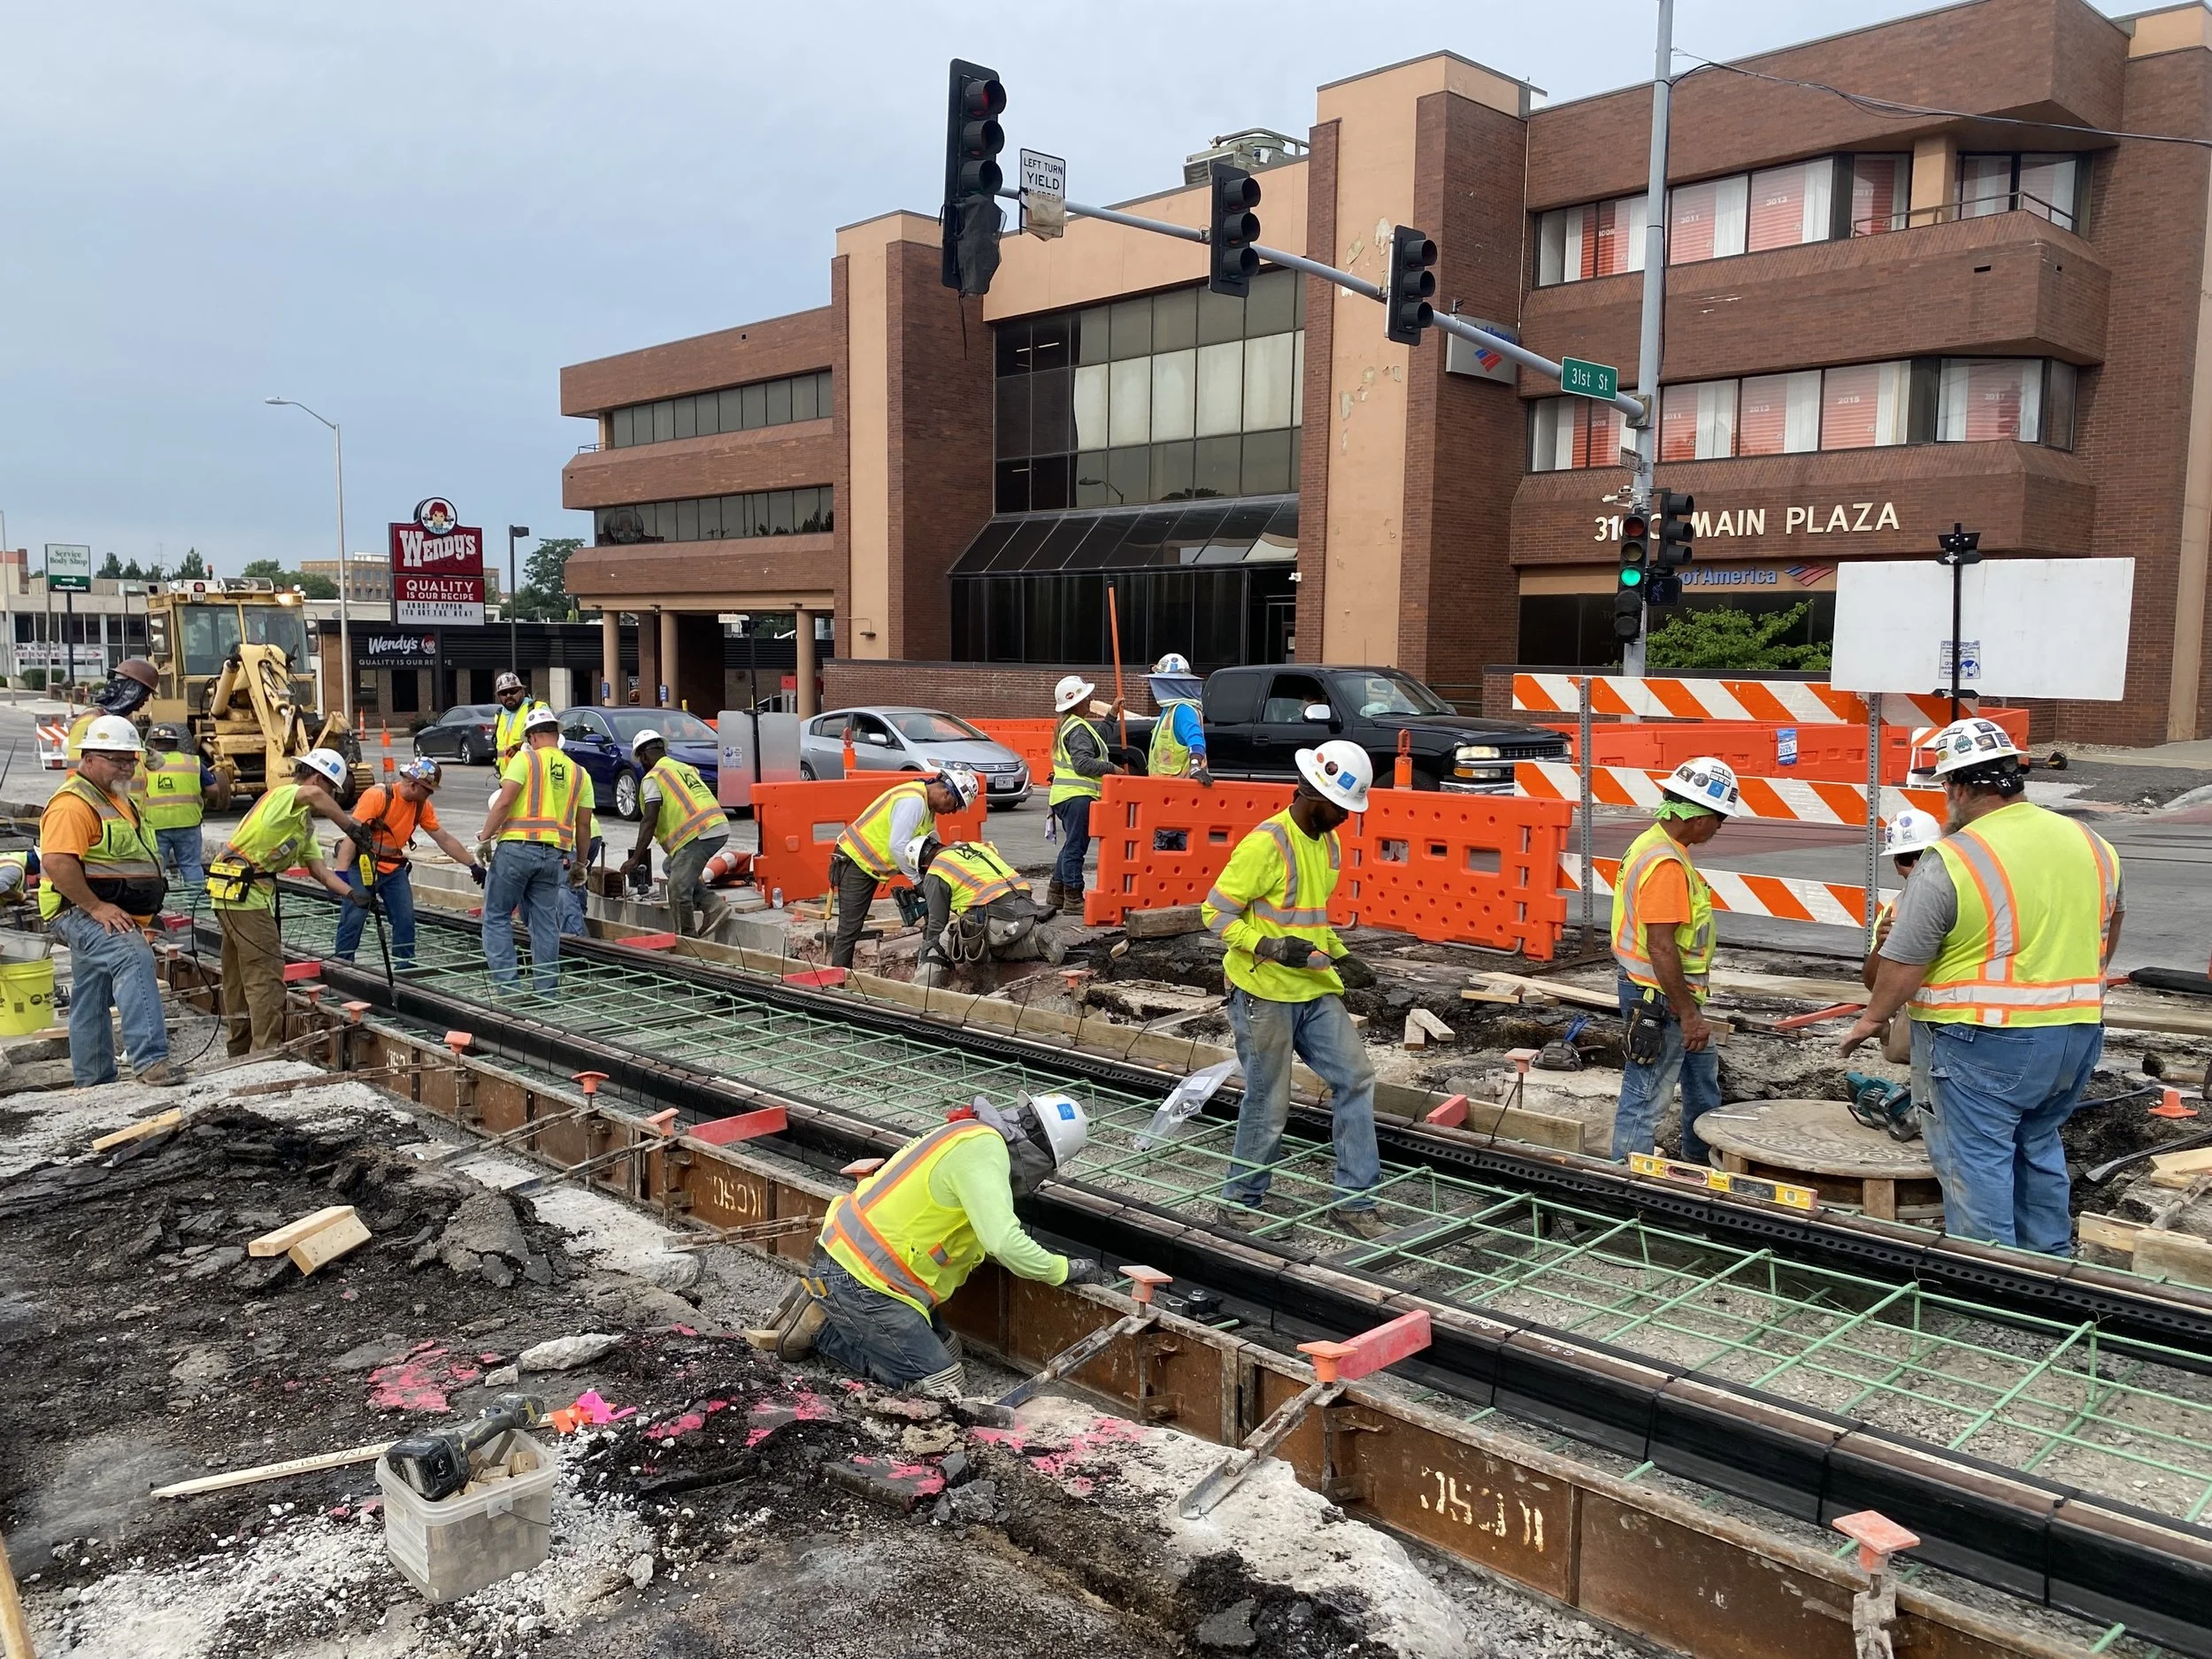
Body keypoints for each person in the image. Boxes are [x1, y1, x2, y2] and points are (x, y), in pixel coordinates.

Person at [1841, 718, 2123, 1255]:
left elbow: (1906, 957)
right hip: (2076, 1034)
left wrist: (1873, 1018)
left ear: (1961, 786)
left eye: (1946, 786)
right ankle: (2050, 1266)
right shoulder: (2091, 843)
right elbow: (2109, 929)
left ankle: (1992, 1286)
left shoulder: (1954, 855)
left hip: (1982, 1041)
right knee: (2037, 1145)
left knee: (1977, 1158)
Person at [747, 1093, 1104, 1396]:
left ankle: (828, 1305)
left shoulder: (971, 1135)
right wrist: (1064, 1270)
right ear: (1043, 1157)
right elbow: (1004, 1242)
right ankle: (823, 1331)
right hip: (863, 1276)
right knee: (941, 1384)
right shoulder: (984, 1155)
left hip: (872, 1267)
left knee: (950, 1350)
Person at [1202, 739, 1385, 1240]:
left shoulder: (1328, 843)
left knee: (1357, 1078)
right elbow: (1215, 914)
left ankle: (1354, 1201)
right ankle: (1240, 1204)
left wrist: (1343, 956)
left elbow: (1312, 918)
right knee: (1268, 1100)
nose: (1346, 818)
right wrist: (1271, 947)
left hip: (1311, 989)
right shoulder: (1265, 844)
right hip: (1263, 994)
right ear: (1311, 793)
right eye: (1340, 807)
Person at [1610, 757, 1747, 1168]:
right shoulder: (1666, 865)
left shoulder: (1655, 843)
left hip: (1669, 993)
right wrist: (1687, 1015)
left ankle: (1699, 1155)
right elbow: (1662, 947)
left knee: (1701, 1078)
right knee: (1647, 1090)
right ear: (1699, 816)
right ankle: (1625, 1174)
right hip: (1660, 996)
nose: (1720, 827)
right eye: (1719, 818)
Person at [39, 715, 180, 1087]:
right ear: (88, 758)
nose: (126, 766)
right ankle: (151, 1061)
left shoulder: (116, 797)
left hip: (99, 907)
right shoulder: (74, 804)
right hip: (78, 908)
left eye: (130, 759)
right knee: (131, 955)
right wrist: (97, 908)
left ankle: (94, 1079)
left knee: (91, 989)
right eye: (116, 759)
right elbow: (56, 862)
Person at [206, 749, 373, 1056]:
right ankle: (265, 1052)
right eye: (331, 790)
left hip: (233, 893)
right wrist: (350, 827)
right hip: (244, 896)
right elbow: (312, 794)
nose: (329, 798)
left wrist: (352, 894)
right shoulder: (284, 796)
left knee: (238, 976)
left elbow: (319, 872)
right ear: (319, 778)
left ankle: (241, 1049)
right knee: (265, 975)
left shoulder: (301, 823)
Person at [477, 704, 588, 995]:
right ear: (555, 734)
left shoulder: (526, 761)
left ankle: (510, 990)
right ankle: (546, 993)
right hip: (554, 856)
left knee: (497, 916)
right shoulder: (579, 773)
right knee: (544, 924)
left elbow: (503, 802)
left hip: (516, 849)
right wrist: (581, 864)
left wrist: (485, 838)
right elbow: (584, 826)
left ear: (534, 737)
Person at [333, 757, 484, 970]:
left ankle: (405, 969)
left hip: (394, 869)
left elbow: (443, 838)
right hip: (363, 865)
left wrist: (472, 864)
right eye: (428, 790)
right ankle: (342, 966)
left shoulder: (421, 806)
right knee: (354, 918)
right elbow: (351, 838)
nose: (429, 795)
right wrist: (340, 876)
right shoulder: (378, 796)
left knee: (405, 920)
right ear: (414, 785)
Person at [826, 767, 978, 970]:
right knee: (850, 927)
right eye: (955, 805)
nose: (953, 811)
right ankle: (838, 979)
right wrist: (917, 882)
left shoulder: (926, 806)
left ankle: (931, 954)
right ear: (946, 792)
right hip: (855, 861)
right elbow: (897, 846)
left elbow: (928, 843)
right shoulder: (913, 801)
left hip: (870, 864)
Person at [904, 833, 1064, 988]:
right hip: (1028, 913)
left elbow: (936, 924)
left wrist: (927, 949)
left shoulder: (936, 869)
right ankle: (1035, 941)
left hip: (999, 919)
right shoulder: (975, 847)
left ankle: (918, 992)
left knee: (942, 943)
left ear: (923, 866)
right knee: (987, 946)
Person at [622, 729, 730, 938]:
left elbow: (649, 820)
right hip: (715, 824)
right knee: (671, 866)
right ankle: (712, 904)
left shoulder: (654, 777)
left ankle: (686, 939)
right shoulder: (682, 768)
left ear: (643, 756)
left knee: (678, 887)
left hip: (698, 832)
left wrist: (636, 858)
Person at [1862, 807, 1945, 1067]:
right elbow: (1872, 982)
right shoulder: (1894, 911)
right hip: (1926, 1010)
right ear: (1897, 864)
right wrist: (1881, 946)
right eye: (1907, 858)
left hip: (1963, 1011)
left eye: (1921, 856)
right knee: (1895, 1047)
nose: (1916, 866)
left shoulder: (1961, 896)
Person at [1047, 674, 1120, 914]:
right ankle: (1074, 898)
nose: (1089, 700)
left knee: (1071, 846)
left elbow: (1098, 741)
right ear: (1076, 702)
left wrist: (1111, 716)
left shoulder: (1072, 725)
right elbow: (1083, 764)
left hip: (1066, 796)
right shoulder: (1077, 728)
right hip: (1077, 797)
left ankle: (1056, 893)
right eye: (1085, 697)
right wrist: (1112, 769)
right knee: (1076, 847)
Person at [131, 724, 211, 887]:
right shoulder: (193, 762)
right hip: (188, 823)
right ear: (176, 743)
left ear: (153, 744)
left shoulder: (142, 765)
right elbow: (214, 790)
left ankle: (156, 904)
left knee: (157, 869)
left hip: (155, 825)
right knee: (191, 866)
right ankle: (197, 905)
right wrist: (199, 801)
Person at [64, 657, 159, 768]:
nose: (146, 700)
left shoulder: (123, 722)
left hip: (125, 785)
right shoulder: (91, 720)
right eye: (144, 694)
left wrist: (147, 755)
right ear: (130, 691)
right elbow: (78, 767)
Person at [1145, 652, 1210, 785]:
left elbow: (1196, 740)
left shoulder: (1183, 710)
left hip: (1179, 793)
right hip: (1164, 791)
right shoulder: (1170, 709)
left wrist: (1195, 765)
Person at [562, 765, 602, 937]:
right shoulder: (577, 773)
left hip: (572, 838)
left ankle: (578, 935)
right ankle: (581, 916)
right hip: (593, 834)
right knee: (578, 882)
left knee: (566, 888)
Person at [490, 671, 551, 767]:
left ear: (522, 692)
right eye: (504, 693)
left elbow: (549, 740)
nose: (509, 695)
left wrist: (522, 746)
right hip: (507, 777)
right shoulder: (499, 715)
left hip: (531, 774)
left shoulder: (537, 708)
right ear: (499, 696)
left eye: (513, 691)